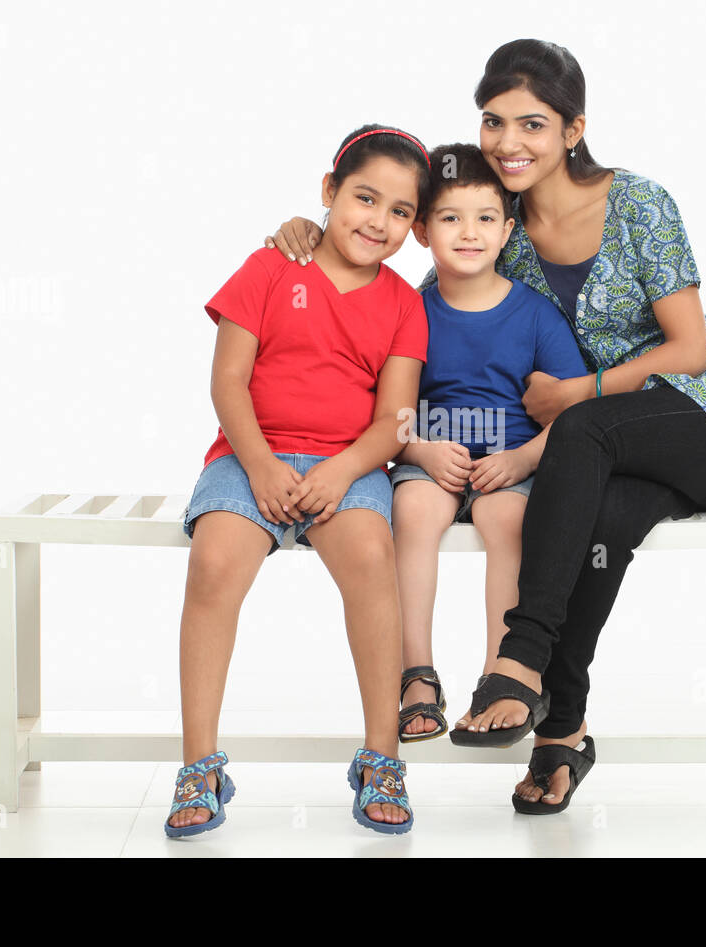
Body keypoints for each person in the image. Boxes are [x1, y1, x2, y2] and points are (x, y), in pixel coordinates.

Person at [265, 40, 706, 815]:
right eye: (493, 122)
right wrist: (310, 228)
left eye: (532, 124)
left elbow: (691, 348)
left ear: (573, 129)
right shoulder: (494, 228)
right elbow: (399, 300)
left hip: (702, 415)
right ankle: (559, 736)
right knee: (594, 527)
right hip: (602, 451)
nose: (509, 142)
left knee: (581, 434)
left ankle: (518, 655)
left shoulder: (637, 203)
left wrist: (580, 390)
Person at [168, 123, 431, 837]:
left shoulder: (406, 304)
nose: (378, 221)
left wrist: (346, 468)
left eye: (400, 211)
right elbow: (228, 380)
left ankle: (383, 754)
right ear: (329, 192)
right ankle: (199, 762)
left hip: (350, 466)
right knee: (214, 562)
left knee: (374, 560)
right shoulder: (271, 267)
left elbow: (396, 420)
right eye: (364, 198)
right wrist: (257, 463)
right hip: (249, 453)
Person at [384, 143, 588, 743]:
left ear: (507, 231)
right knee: (412, 511)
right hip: (433, 461)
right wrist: (418, 450)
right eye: (450, 218)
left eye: (485, 218)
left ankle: (502, 672)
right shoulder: (409, 313)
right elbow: (387, 411)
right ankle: (415, 674)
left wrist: (523, 458)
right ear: (422, 231)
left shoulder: (536, 316)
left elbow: (576, 414)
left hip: (513, 465)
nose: (468, 233)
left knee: (513, 524)